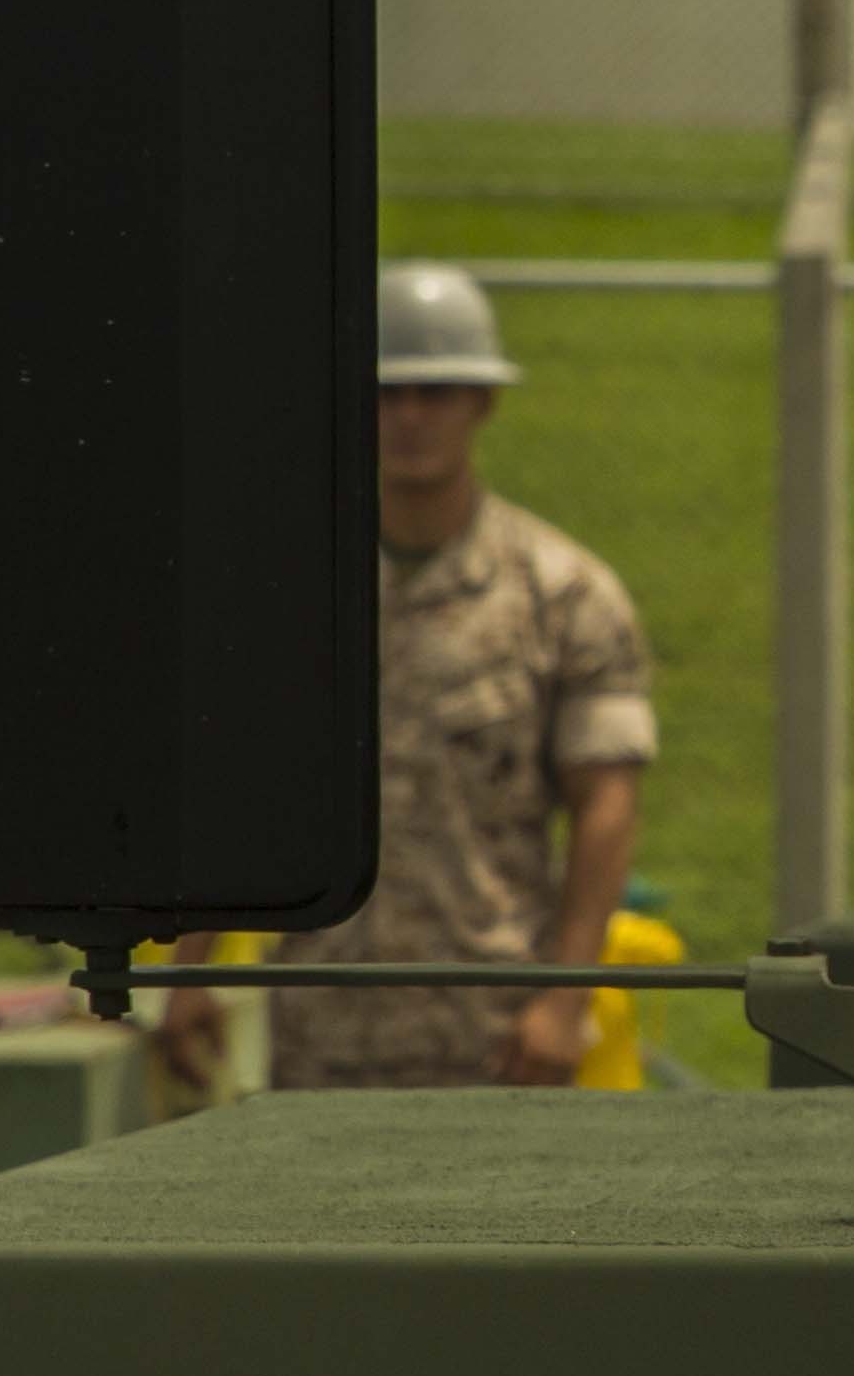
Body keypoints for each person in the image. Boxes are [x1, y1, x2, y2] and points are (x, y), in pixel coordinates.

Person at [165, 264, 649, 1093]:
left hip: (495, 1032)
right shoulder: (291, 592)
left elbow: (606, 805)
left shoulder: (563, 594)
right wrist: (188, 970)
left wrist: (566, 1002)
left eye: (439, 390)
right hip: (320, 1028)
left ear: (484, 403)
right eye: (387, 392)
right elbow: (245, 786)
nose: (410, 416)